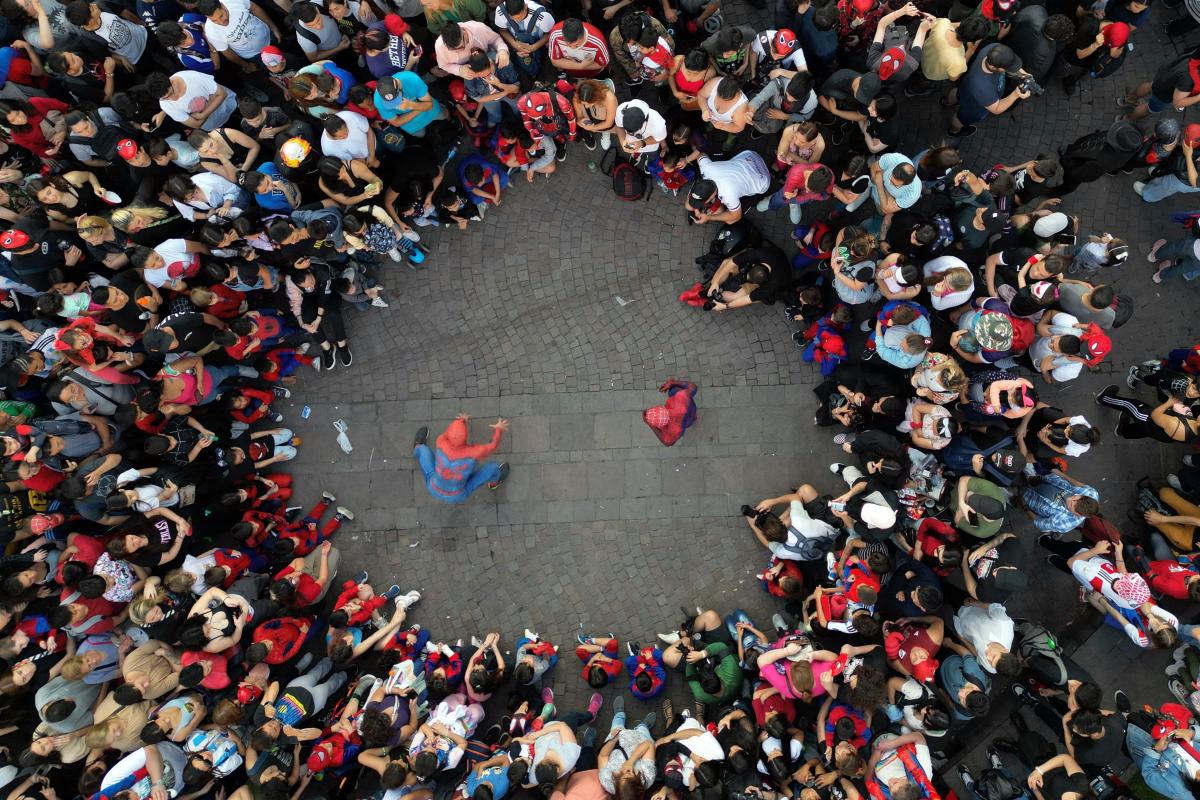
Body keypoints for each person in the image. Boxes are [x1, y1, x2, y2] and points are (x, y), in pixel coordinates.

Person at [412, 414, 510, 503]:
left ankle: (416, 447)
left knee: (422, 449)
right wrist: (498, 429)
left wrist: (461, 421)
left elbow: (449, 432)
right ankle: (494, 483)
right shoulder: (475, 452)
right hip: (458, 494)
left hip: (433, 487)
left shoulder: (440, 441)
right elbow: (492, 445)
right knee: (493, 468)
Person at [643, 379, 698, 445]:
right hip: (690, 408)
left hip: (683, 424)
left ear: (660, 426)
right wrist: (672, 383)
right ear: (661, 408)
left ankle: (693, 419)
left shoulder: (670, 432)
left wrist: (650, 424)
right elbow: (693, 387)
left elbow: (667, 443)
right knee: (672, 391)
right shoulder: (681, 398)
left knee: (688, 422)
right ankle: (693, 416)